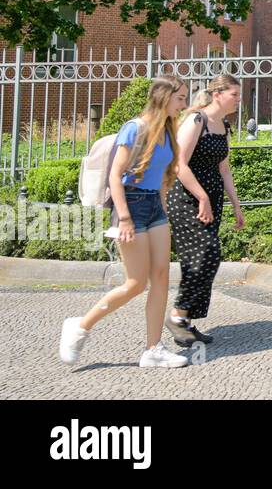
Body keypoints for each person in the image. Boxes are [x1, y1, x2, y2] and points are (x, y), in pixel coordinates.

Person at [59, 75, 191, 368]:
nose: (184, 104)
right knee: (134, 284)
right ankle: (80, 326)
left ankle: (153, 350)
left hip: (155, 207)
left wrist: (164, 211)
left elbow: (161, 177)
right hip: (129, 206)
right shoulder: (133, 128)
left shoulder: (168, 131)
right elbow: (114, 176)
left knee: (161, 278)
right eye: (180, 98)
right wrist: (126, 219)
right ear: (163, 97)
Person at [166, 73, 245, 347]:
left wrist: (236, 205)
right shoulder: (196, 120)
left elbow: (224, 168)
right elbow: (179, 164)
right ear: (218, 95)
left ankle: (185, 321)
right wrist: (202, 197)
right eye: (234, 94)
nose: (238, 99)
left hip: (211, 200)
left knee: (197, 260)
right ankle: (177, 314)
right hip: (188, 198)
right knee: (208, 253)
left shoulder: (223, 125)